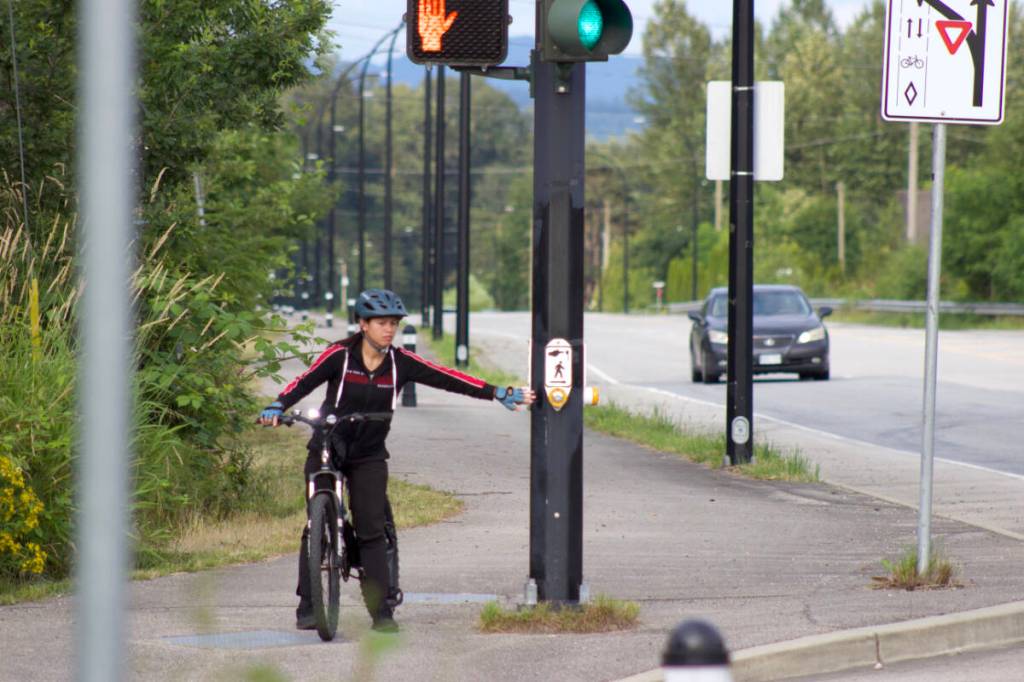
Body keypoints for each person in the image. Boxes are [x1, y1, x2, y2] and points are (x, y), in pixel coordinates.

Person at [258, 288, 534, 632]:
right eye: (381, 323)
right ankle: (309, 605)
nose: (389, 330)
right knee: (315, 524)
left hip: (369, 455)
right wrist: (276, 405)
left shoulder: (400, 362)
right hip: (328, 445)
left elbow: (448, 377)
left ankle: (382, 611)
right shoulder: (339, 356)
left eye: (393, 324)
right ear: (363, 324)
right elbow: (302, 381)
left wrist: (496, 392)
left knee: (372, 529)